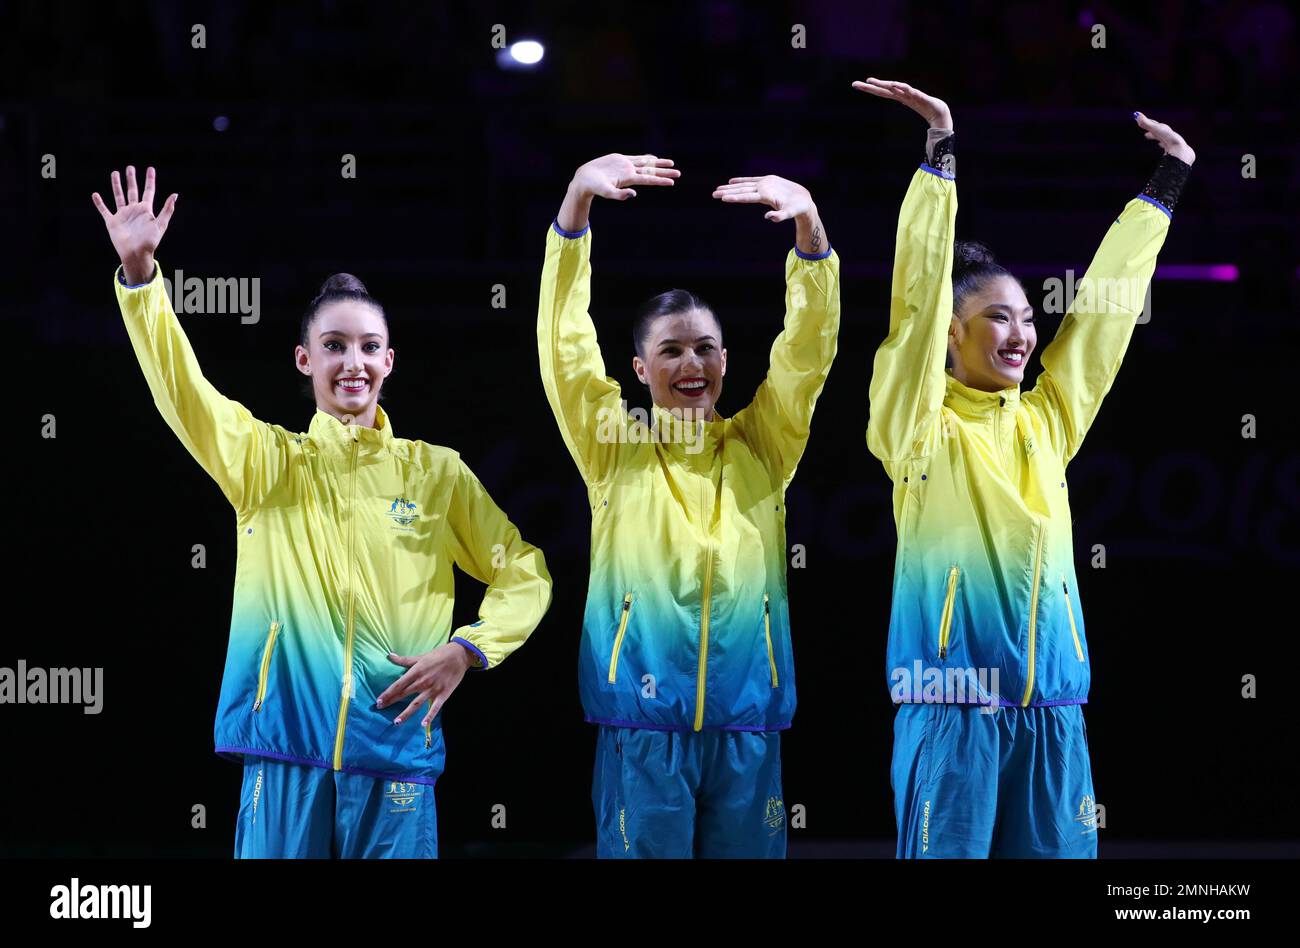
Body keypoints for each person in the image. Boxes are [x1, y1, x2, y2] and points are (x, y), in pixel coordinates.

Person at [93, 165, 553, 858]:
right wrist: (141, 281)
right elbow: (183, 392)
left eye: (368, 346)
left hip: (394, 751)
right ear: (305, 359)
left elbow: (526, 569)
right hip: (284, 753)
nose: (353, 363)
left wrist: (468, 649)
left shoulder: (437, 473)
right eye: (334, 346)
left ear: (390, 360)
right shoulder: (265, 463)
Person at [855, 78, 1194, 857]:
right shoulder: (915, 429)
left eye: (1026, 317)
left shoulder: (1048, 423)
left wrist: (1164, 187)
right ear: (951, 333)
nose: (1019, 334)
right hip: (952, 710)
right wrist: (940, 155)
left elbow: (1105, 317)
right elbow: (913, 305)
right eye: (995, 318)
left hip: (1055, 716)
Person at [537, 152, 840, 857]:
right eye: (670, 352)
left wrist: (810, 232)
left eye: (705, 349)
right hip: (640, 725)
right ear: (640, 370)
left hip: (747, 722)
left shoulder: (763, 445)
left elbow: (807, 355)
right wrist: (576, 202)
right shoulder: (614, 447)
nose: (691, 365)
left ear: (726, 361)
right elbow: (565, 348)